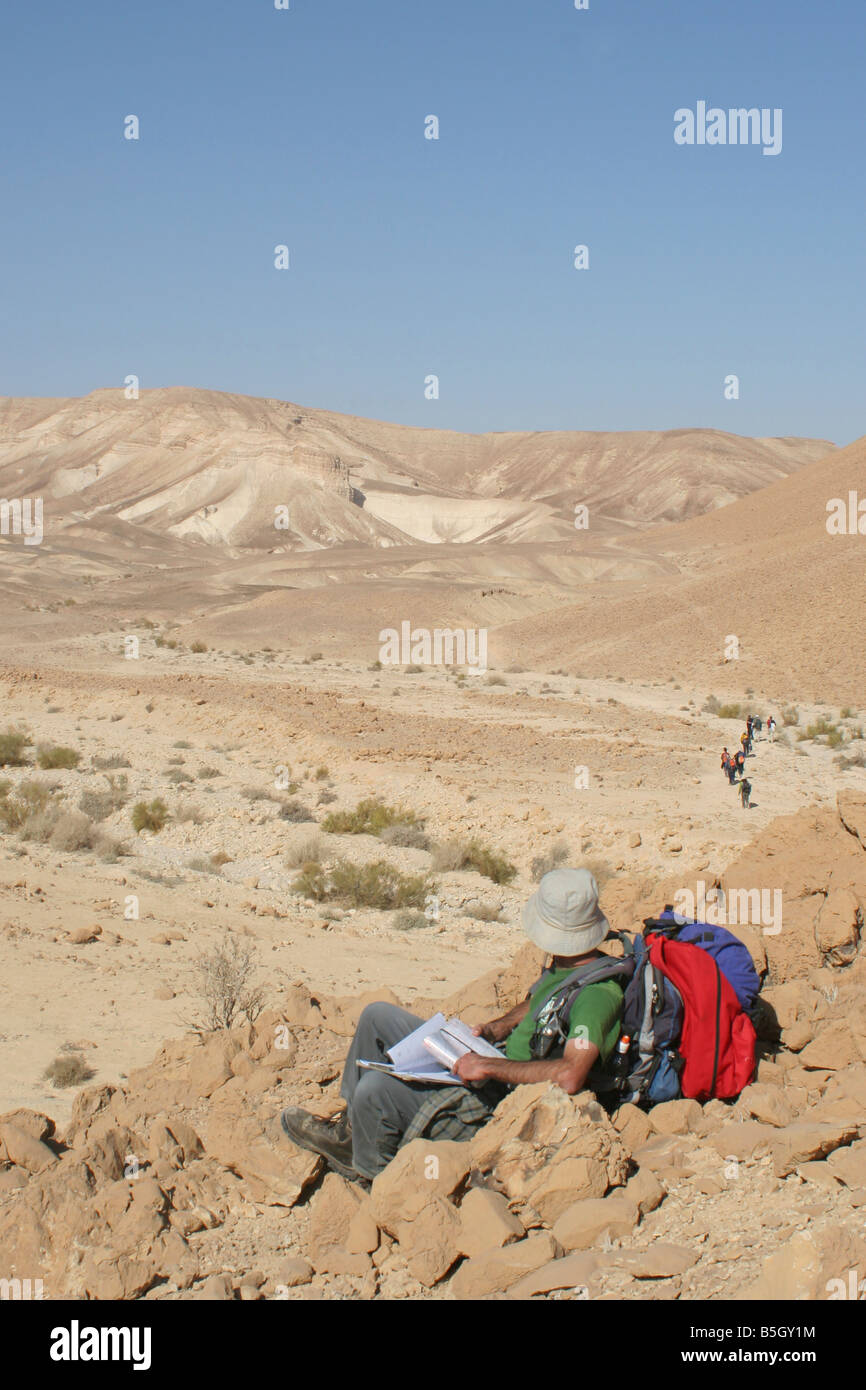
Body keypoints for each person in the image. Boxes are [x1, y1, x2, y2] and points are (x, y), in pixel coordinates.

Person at [280, 868, 626, 1181]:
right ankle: (351, 1134)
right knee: (376, 1017)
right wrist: (497, 1027)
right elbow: (540, 1002)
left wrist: (486, 1065)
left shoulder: (598, 995)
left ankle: (375, 1177)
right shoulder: (569, 967)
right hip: (493, 1060)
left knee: (375, 1088)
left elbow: (569, 1074)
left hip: (502, 1098)